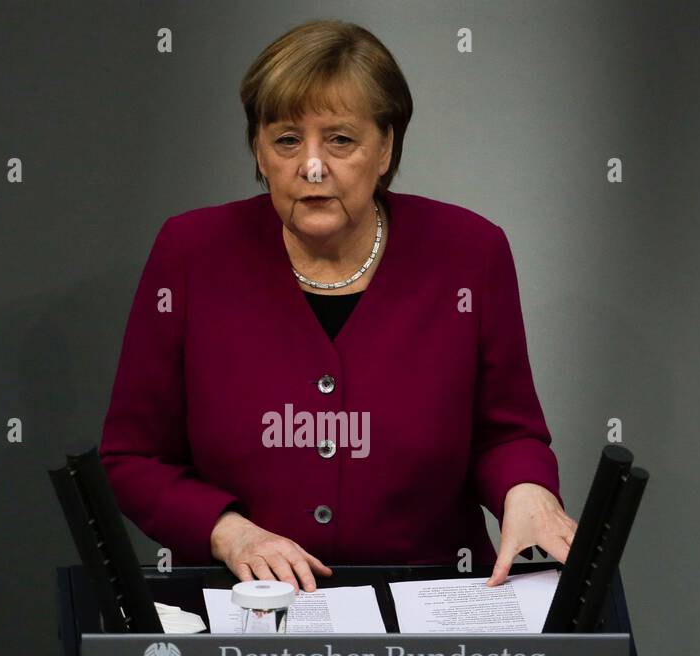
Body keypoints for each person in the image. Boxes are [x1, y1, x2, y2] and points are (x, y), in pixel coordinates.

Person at [99, 19, 577, 593]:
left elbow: (506, 434)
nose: (313, 166)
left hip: (430, 602)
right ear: (259, 149)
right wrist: (230, 533)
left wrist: (528, 492)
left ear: (386, 147)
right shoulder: (190, 252)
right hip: (248, 603)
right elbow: (134, 457)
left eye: (341, 140)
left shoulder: (469, 252)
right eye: (287, 140)